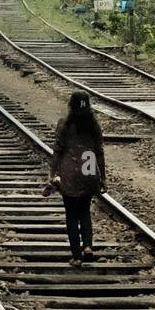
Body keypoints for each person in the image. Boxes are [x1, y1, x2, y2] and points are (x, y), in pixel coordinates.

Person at [43, 91, 106, 265]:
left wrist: (53, 173)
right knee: (85, 211)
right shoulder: (94, 124)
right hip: (89, 168)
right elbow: (99, 152)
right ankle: (87, 246)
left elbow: (58, 150)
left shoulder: (64, 124)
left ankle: (77, 256)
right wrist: (103, 177)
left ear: (71, 104)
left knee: (71, 215)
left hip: (70, 170)